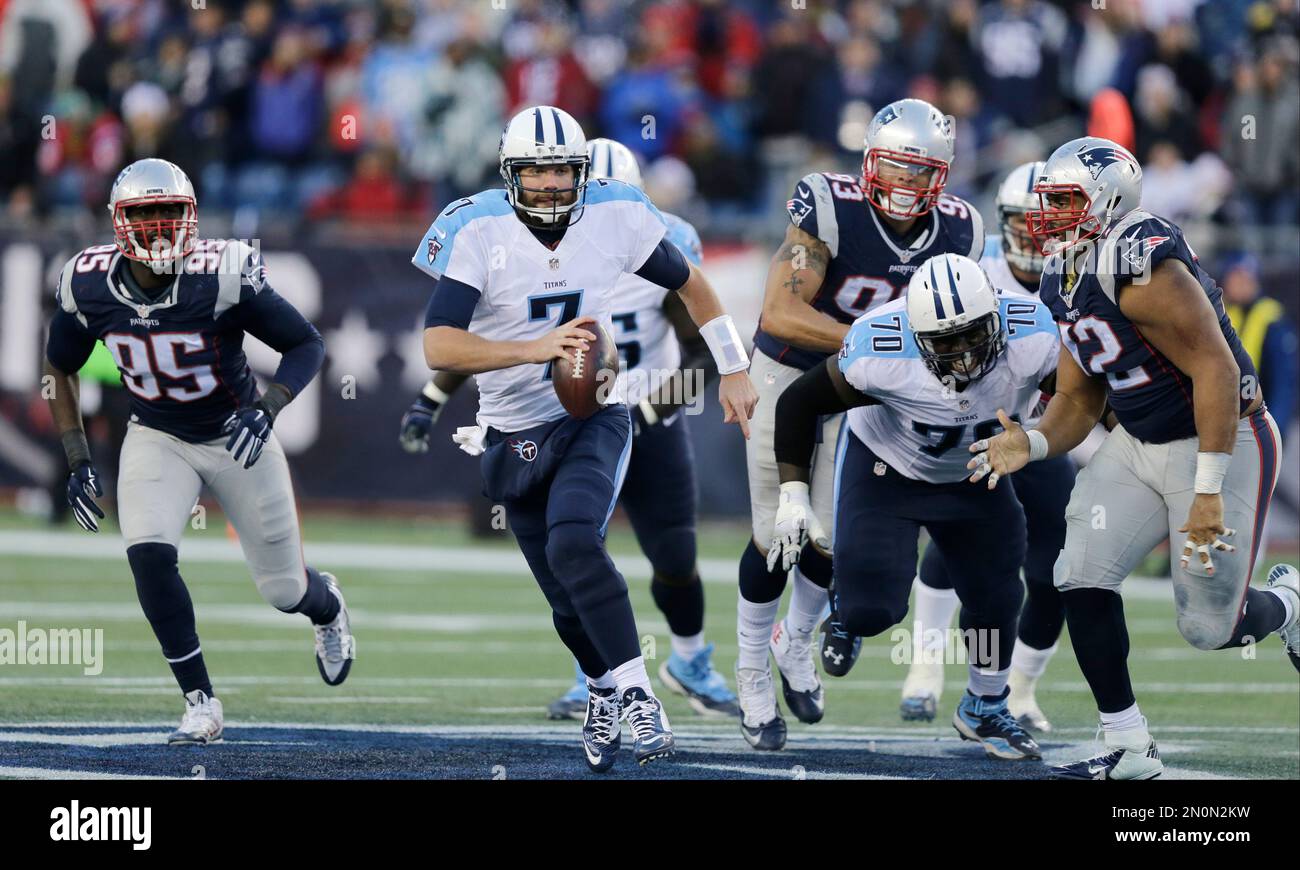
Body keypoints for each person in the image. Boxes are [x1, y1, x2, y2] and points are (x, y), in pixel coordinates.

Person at [415, 107, 757, 772]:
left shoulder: (613, 213)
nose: (548, 186)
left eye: (561, 172)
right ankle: (601, 688)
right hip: (514, 427)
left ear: (583, 175)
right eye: (534, 172)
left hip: (597, 409)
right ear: (509, 174)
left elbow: (691, 283)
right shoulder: (475, 227)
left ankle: (637, 691)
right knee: (564, 599)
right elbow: (438, 341)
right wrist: (532, 347)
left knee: (578, 540)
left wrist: (734, 366)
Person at [971, 136, 1300, 780]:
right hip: (1139, 443)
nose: (1049, 217)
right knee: (1077, 573)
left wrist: (1206, 489)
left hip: (1221, 439)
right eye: (1048, 202)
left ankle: (1287, 604)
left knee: (1209, 629)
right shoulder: (1064, 274)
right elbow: (1077, 397)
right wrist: (1032, 441)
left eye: (1064, 202)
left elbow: (1216, 369)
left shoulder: (1140, 263)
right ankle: (1128, 743)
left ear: (1106, 201)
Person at [44, 158, 353, 746]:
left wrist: (268, 407)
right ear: (119, 222)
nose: (159, 228)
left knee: (283, 591)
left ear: (189, 217)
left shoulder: (222, 273)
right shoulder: (87, 282)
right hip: (157, 436)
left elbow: (305, 344)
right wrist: (78, 455)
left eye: (169, 213)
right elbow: (59, 365)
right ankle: (200, 702)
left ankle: (327, 606)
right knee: (149, 555)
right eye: (145, 214)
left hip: (236, 436)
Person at [735, 97, 984, 751]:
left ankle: (796, 645)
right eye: (896, 168)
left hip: (871, 388)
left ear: (943, 177)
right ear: (870, 163)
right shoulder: (828, 207)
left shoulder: (961, 229)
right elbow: (782, 312)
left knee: (836, 537)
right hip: (790, 374)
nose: (906, 184)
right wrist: (877, 341)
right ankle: (751, 672)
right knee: (777, 537)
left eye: (921, 171)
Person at [768, 253, 1055, 761]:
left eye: (974, 334)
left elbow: (1081, 397)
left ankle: (985, 706)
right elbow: (798, 403)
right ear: (918, 335)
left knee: (996, 598)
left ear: (996, 314)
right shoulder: (880, 349)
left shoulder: (1034, 335)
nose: (965, 355)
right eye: (947, 342)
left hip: (978, 474)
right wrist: (793, 495)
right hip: (887, 471)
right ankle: (842, 603)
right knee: (871, 611)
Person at [897, 162, 1074, 733]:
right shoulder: (972, 266)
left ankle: (1019, 689)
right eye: (1024, 224)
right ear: (1003, 222)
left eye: (1046, 224)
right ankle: (925, 669)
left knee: (1056, 566)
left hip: (1044, 432)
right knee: (952, 543)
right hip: (975, 428)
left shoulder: (1085, 269)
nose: (1035, 237)